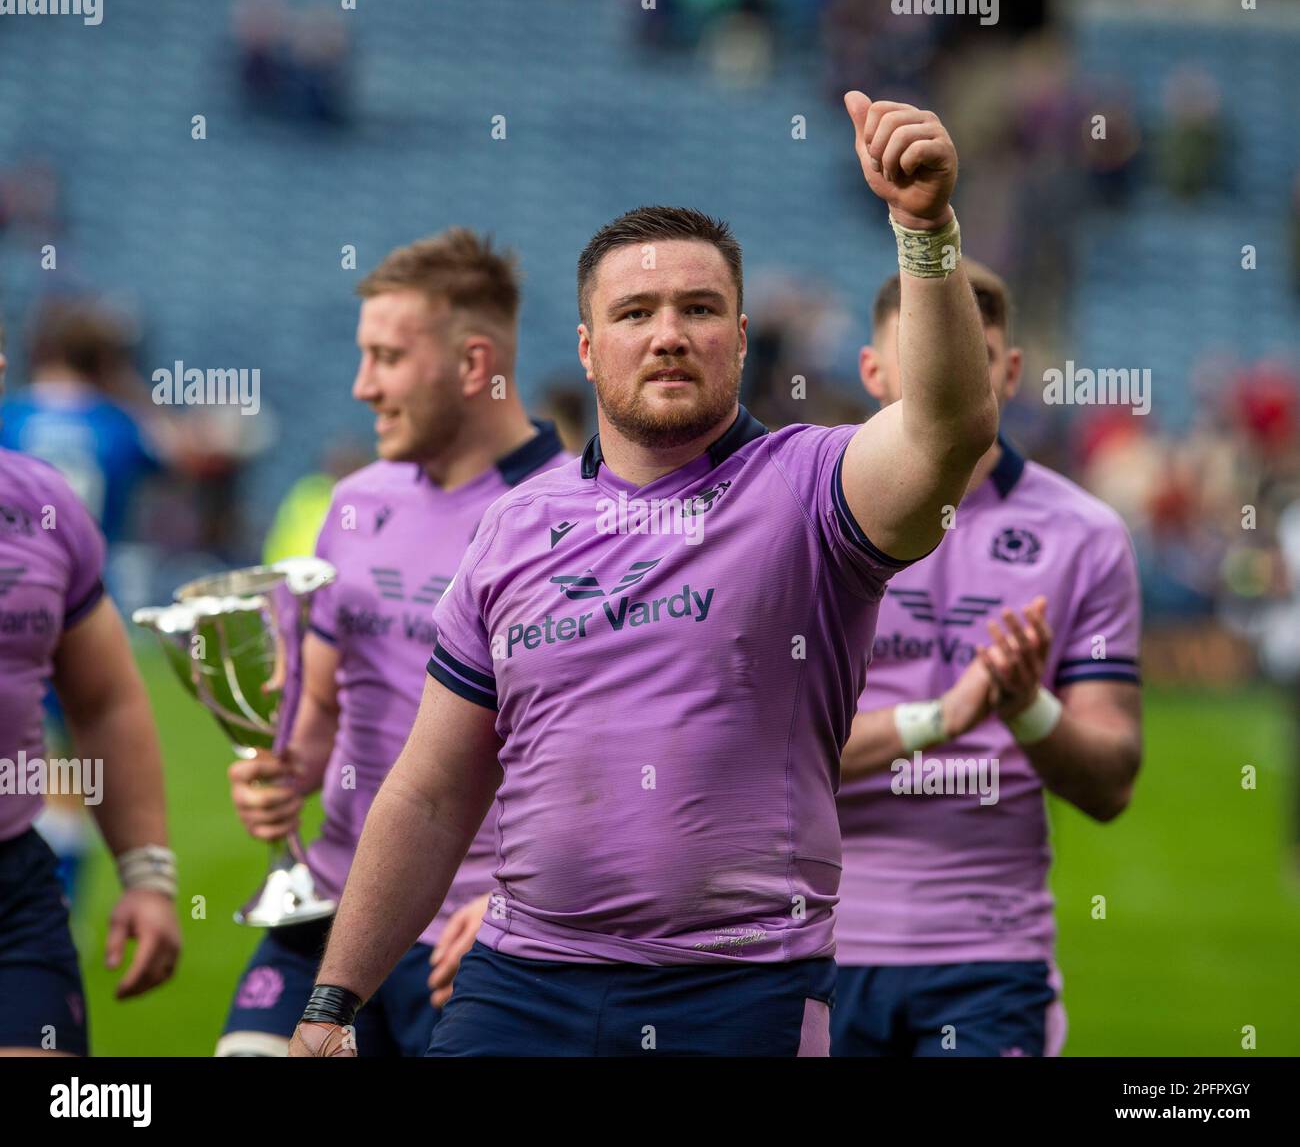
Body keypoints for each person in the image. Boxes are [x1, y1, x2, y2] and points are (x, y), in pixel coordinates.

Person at [288, 95, 999, 1057]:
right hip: (520, 981)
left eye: (700, 310)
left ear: (741, 340)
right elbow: (430, 791)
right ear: (588, 350)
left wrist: (924, 232)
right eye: (636, 313)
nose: (669, 333)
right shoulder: (514, 529)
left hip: (739, 988)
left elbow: (947, 428)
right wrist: (335, 1003)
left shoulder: (810, 487)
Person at [217, 229, 569, 1056]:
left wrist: (535, 898)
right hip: (335, 911)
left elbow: (611, 757)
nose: (361, 386)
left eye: (386, 357)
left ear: (474, 363)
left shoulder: (576, 520)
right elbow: (320, 705)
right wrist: (286, 772)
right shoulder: (353, 503)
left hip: (483, 940)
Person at [832, 262, 1143, 1057]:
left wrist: (1024, 706)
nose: (952, 371)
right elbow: (747, 758)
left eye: (973, 350)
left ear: (1009, 370)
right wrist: (939, 719)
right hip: (811, 945)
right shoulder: (808, 520)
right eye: (927, 348)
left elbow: (1111, 781)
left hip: (990, 958)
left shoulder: (1084, 533)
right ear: (872, 371)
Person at [0, 323, 181, 1056]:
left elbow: (105, 696)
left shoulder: (40, 501)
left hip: (11, 887)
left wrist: (148, 873)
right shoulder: (115, 421)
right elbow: (173, 451)